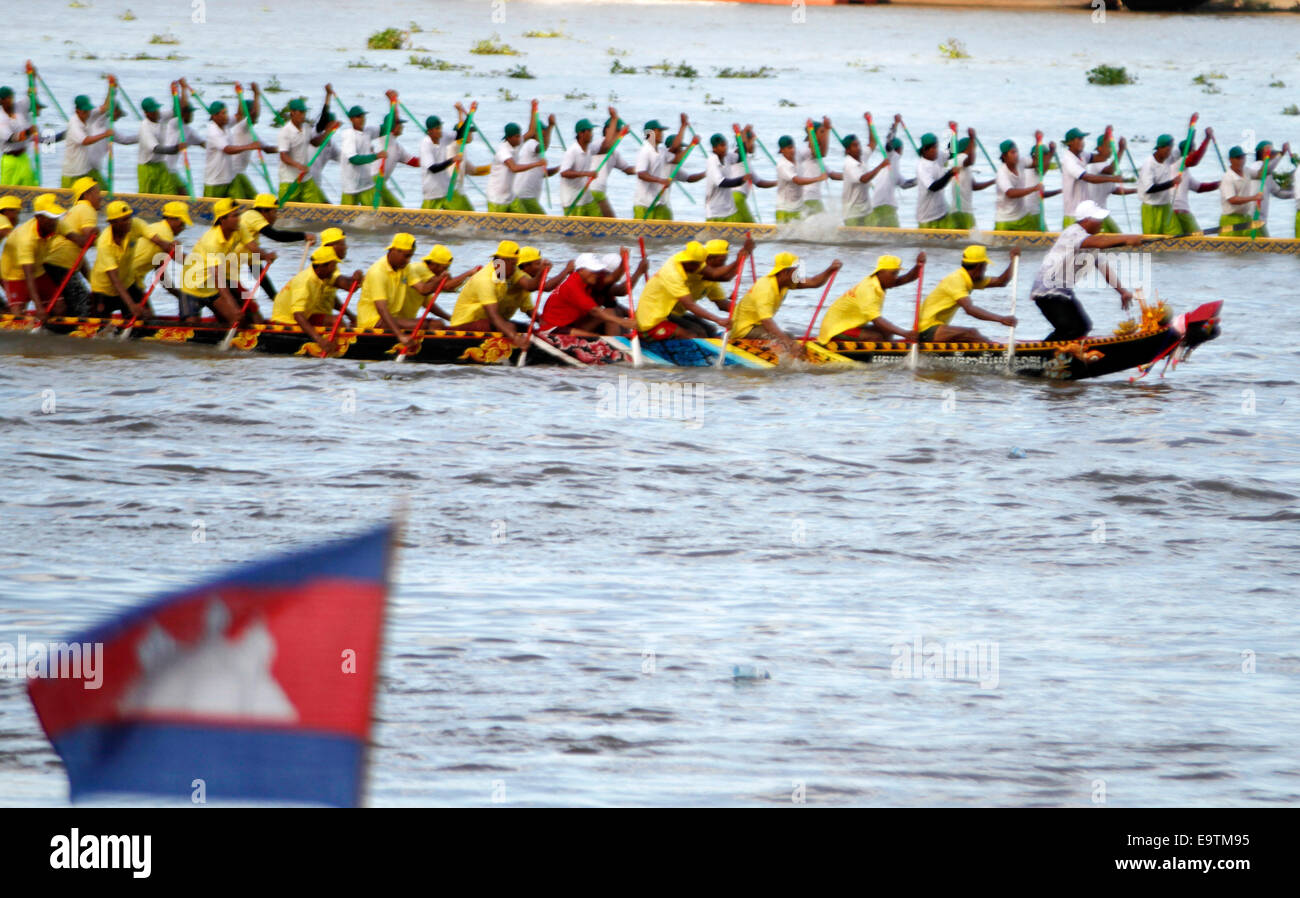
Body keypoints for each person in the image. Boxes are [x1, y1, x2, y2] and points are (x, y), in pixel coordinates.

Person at [1028, 199, 1143, 342]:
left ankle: (1064, 357)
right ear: (1086, 220)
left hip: (1063, 292)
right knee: (1071, 329)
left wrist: (1123, 292)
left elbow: (1105, 270)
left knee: (1084, 327)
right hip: (1046, 292)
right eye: (1098, 220)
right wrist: (1127, 239)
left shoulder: (1090, 244)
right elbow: (1100, 242)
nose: (1101, 224)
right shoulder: (1073, 233)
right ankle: (1043, 356)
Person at [728, 252, 841, 355]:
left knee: (789, 337)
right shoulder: (766, 288)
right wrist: (790, 344)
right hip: (744, 329)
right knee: (784, 341)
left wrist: (830, 269)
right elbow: (767, 321)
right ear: (784, 272)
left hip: (757, 325)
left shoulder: (785, 282)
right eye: (795, 272)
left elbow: (814, 282)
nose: (798, 275)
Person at [356, 233, 450, 347]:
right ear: (394, 250)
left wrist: (439, 280)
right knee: (435, 324)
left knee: (436, 324)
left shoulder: (406, 268)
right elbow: (382, 309)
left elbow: (423, 289)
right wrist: (400, 336)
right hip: (373, 323)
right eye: (406, 256)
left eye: (410, 256)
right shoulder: (378, 272)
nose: (408, 260)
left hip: (390, 320)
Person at [270, 245, 364, 354]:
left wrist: (356, 278)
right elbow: (298, 315)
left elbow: (348, 286)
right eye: (333, 266)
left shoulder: (323, 275)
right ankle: (333, 351)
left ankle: (338, 349)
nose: (334, 270)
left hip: (306, 315)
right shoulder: (305, 282)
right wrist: (319, 340)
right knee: (335, 323)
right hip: (287, 320)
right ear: (322, 267)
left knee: (336, 320)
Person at [916, 245, 1020, 343]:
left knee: (971, 336)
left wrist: (1013, 261)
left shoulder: (970, 278)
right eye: (986, 266)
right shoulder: (956, 280)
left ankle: (990, 349)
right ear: (980, 266)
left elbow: (1001, 282)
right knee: (971, 333)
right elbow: (969, 309)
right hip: (925, 329)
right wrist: (1001, 319)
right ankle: (996, 353)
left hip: (936, 328)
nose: (986, 269)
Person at [817, 253, 923, 343]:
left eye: (897, 273)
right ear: (881, 272)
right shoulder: (869, 290)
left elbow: (905, 279)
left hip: (849, 325)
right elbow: (877, 320)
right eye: (893, 273)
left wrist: (918, 266)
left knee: (887, 332)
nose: (896, 277)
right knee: (875, 337)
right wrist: (905, 333)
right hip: (836, 329)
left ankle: (886, 356)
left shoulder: (879, 281)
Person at [446, 240, 533, 347]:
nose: (515, 269)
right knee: (509, 327)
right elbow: (494, 316)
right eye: (514, 264)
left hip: (483, 321)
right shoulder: (485, 280)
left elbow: (531, 286)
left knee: (525, 328)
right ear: (503, 262)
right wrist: (515, 337)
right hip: (463, 324)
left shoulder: (503, 272)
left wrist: (542, 271)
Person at [635, 243, 730, 339]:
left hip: (667, 313)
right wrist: (718, 319)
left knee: (711, 329)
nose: (699, 269)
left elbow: (722, 299)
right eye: (698, 265)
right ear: (690, 262)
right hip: (652, 319)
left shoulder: (687, 264)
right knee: (696, 334)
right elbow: (690, 305)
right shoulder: (672, 274)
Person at [179, 197, 248, 325]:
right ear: (222, 219)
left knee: (236, 321)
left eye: (238, 214)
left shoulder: (239, 228)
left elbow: (252, 245)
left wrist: (265, 255)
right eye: (234, 216)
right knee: (191, 326)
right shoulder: (211, 242)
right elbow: (218, 277)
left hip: (210, 286)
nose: (239, 219)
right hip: (192, 286)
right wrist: (233, 306)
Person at [537, 252, 636, 336]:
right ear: (581, 270)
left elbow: (613, 278)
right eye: (592, 270)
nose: (596, 274)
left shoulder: (589, 280)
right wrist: (621, 321)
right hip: (553, 328)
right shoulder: (573, 285)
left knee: (610, 312)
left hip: (572, 323)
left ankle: (620, 344)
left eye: (597, 271)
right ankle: (616, 349)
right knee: (594, 336)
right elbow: (595, 311)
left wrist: (624, 263)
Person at [43, 176, 101, 316]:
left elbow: (79, 256)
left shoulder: (76, 210)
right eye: (97, 193)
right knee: (84, 306)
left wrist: (94, 283)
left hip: (54, 263)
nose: (100, 197)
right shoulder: (87, 209)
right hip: (61, 265)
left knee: (74, 303)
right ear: (87, 194)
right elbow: (88, 240)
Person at [87, 200, 152, 318]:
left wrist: (167, 245)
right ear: (113, 223)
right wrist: (131, 305)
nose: (129, 222)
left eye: (129, 218)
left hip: (128, 282)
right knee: (103, 330)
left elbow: (152, 235)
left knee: (147, 315)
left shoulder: (135, 225)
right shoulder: (104, 244)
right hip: (104, 289)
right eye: (125, 220)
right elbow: (114, 280)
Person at [0, 196, 63, 316]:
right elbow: (11, 235)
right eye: (16, 212)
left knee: (13, 309)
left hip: (23, 270)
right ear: (6, 211)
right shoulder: (2, 219)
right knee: (15, 312)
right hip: (15, 272)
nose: (17, 218)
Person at [201, 99, 271, 198]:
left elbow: (238, 116)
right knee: (212, 212)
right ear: (214, 116)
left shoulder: (225, 125)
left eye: (226, 113)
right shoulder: (213, 132)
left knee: (239, 207)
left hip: (230, 179)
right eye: (223, 113)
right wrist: (250, 146)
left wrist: (239, 96)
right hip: (214, 181)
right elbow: (227, 150)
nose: (226, 116)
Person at [129, 199, 191, 308]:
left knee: (146, 314)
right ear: (172, 219)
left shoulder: (158, 228)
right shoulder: (165, 232)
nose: (183, 229)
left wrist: (179, 295)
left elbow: (161, 275)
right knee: (146, 316)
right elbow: (180, 258)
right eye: (182, 224)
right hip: (128, 280)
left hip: (132, 279)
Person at [1058, 127, 1125, 227]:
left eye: (1083, 139)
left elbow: (1103, 157)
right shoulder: (1069, 160)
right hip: (1073, 215)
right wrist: (1113, 178)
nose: (1083, 142)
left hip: (1086, 213)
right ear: (1070, 143)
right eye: (1079, 139)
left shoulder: (1082, 155)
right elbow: (1088, 178)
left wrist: (1108, 138)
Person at [632, 115, 692, 220]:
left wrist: (685, 131)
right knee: (642, 235)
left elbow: (677, 158)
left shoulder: (662, 151)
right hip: (644, 204)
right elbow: (641, 174)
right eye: (659, 131)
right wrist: (660, 180)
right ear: (650, 133)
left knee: (665, 234)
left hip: (659, 203)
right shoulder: (644, 151)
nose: (662, 134)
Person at [277, 97, 334, 204]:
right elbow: (283, 156)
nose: (303, 115)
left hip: (305, 178)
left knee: (316, 205)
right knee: (287, 212)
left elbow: (315, 142)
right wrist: (298, 165)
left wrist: (328, 132)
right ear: (292, 113)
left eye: (305, 112)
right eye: (301, 112)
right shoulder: (285, 132)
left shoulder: (306, 128)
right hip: (289, 180)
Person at [994, 139, 1057, 232]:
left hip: (1022, 216)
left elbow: (1037, 164)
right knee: (1000, 246)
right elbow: (1010, 193)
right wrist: (1034, 188)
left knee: (1035, 244)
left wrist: (1038, 142)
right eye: (1012, 153)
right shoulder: (1001, 173)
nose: (1016, 155)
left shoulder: (1021, 162)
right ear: (1004, 156)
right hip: (1005, 219)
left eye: (1016, 152)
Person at [486, 120, 548, 213]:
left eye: (520, 136)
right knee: (494, 226)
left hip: (511, 197)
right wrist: (537, 164)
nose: (520, 139)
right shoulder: (503, 151)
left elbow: (531, 132)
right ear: (509, 138)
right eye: (517, 137)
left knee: (525, 222)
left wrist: (533, 107)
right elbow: (514, 168)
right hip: (497, 199)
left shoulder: (516, 144)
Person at [135, 89, 189, 196]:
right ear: (146, 113)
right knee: (146, 197)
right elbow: (157, 149)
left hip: (161, 165)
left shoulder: (160, 117)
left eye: (156, 109)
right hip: (146, 167)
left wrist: (175, 93)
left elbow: (177, 110)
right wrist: (175, 149)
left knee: (169, 192)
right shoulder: (144, 127)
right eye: (152, 111)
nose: (156, 112)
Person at [336, 101, 384, 206]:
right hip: (350, 187)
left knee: (378, 216)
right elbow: (354, 159)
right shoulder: (348, 135)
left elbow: (386, 128)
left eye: (363, 116)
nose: (362, 119)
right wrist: (376, 156)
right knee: (345, 221)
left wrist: (392, 103)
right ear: (351, 119)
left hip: (366, 184)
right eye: (358, 117)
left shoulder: (368, 131)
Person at [60, 92, 112, 188]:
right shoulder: (74, 124)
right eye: (84, 112)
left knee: (104, 190)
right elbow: (85, 141)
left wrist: (111, 88)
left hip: (86, 171)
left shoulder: (88, 114)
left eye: (88, 111)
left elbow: (105, 107)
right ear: (77, 111)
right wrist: (105, 134)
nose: (87, 114)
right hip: (72, 173)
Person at [1171, 133, 1219, 235]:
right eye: (1194, 150)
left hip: (1174, 210)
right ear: (1189, 152)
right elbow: (1195, 160)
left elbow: (1199, 188)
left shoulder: (1183, 171)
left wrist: (1219, 184)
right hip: (1180, 210)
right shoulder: (1180, 163)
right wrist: (1207, 139)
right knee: (1199, 238)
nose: (1195, 152)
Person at [418, 112, 468, 210]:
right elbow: (433, 168)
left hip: (447, 190)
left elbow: (460, 134)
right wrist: (452, 160)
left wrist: (469, 115)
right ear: (429, 131)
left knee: (463, 215)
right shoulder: (425, 144)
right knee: (424, 224)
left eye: (440, 127)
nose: (440, 131)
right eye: (437, 129)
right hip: (432, 192)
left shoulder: (443, 136)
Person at [1085, 134, 1134, 233]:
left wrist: (1137, 190)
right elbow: (1110, 170)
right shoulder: (1096, 164)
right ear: (1099, 149)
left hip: (1102, 212)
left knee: (1119, 235)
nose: (1111, 150)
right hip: (1093, 214)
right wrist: (1121, 150)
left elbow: (1114, 190)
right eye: (1108, 147)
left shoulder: (1105, 165)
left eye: (1112, 147)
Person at [1245, 140, 1294, 238]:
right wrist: (1281, 154)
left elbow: (1279, 193)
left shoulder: (1268, 175)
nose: (1274, 155)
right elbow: (1264, 171)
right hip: (1252, 218)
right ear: (1264, 153)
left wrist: (1296, 193)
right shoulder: (1254, 168)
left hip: (1261, 220)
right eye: (1272, 152)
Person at [774, 134, 828, 223]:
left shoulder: (797, 159)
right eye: (789, 148)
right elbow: (797, 181)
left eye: (793, 147)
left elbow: (813, 151)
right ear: (782, 150)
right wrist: (818, 178)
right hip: (784, 210)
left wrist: (811, 134)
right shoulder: (783, 165)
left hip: (798, 209)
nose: (792, 150)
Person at [1137, 134, 1183, 236]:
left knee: (1176, 235)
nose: (1169, 154)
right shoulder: (1148, 164)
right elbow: (1149, 189)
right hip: (1151, 208)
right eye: (1167, 150)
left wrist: (1191, 129)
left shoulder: (1167, 158)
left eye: (1170, 150)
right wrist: (1172, 183)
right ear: (1159, 148)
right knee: (1152, 240)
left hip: (1165, 206)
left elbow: (1184, 148)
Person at [839, 132, 889, 226]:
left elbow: (873, 143)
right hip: (851, 214)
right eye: (854, 146)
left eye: (858, 144)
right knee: (854, 240)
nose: (858, 148)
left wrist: (869, 122)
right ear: (848, 150)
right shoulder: (849, 164)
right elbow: (863, 179)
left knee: (875, 236)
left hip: (866, 211)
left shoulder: (862, 156)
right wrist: (881, 166)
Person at [559, 118, 605, 217]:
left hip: (585, 196)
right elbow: (564, 173)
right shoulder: (572, 151)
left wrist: (620, 134)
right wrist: (586, 174)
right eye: (589, 131)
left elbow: (606, 147)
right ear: (581, 134)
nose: (592, 134)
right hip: (571, 199)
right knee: (574, 230)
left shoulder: (589, 148)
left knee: (598, 221)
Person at [704, 132, 751, 222]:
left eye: (725, 145)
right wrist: (740, 180)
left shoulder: (728, 157)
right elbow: (721, 183)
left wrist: (740, 139)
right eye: (722, 146)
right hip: (714, 213)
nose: (725, 148)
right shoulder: (712, 161)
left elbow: (742, 156)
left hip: (729, 211)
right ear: (714, 148)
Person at [797, 117, 839, 216]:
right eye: (822, 132)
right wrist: (828, 130)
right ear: (814, 134)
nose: (824, 135)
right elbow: (820, 152)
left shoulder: (818, 159)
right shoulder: (806, 152)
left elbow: (832, 175)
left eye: (824, 132)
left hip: (814, 198)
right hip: (807, 198)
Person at [0, 84, 41, 186]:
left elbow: (30, 98)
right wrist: (28, 132)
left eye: (12, 97)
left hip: (23, 157)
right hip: (9, 160)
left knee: (30, 187)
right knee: (7, 192)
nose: (11, 100)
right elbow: (12, 138)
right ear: (1, 101)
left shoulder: (18, 106)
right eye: (8, 98)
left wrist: (32, 89)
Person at [915, 132, 958, 228]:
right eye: (933, 148)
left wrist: (953, 135)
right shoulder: (922, 167)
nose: (936, 151)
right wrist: (950, 174)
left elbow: (951, 153)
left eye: (936, 147)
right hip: (926, 217)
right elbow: (933, 187)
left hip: (942, 212)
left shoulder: (938, 155)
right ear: (925, 150)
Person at [947, 130, 988, 229]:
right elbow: (971, 160)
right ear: (968, 148)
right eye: (973, 148)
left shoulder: (962, 164)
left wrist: (994, 181)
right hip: (962, 211)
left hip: (961, 210)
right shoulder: (961, 158)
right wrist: (972, 139)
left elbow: (974, 186)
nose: (974, 150)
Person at [1218, 145, 1263, 234]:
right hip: (1230, 219)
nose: (1241, 161)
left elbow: (1261, 174)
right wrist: (1253, 198)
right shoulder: (1228, 177)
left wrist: (1266, 159)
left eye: (1243, 158)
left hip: (1245, 217)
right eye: (1238, 158)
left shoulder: (1246, 171)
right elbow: (1232, 200)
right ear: (1231, 160)